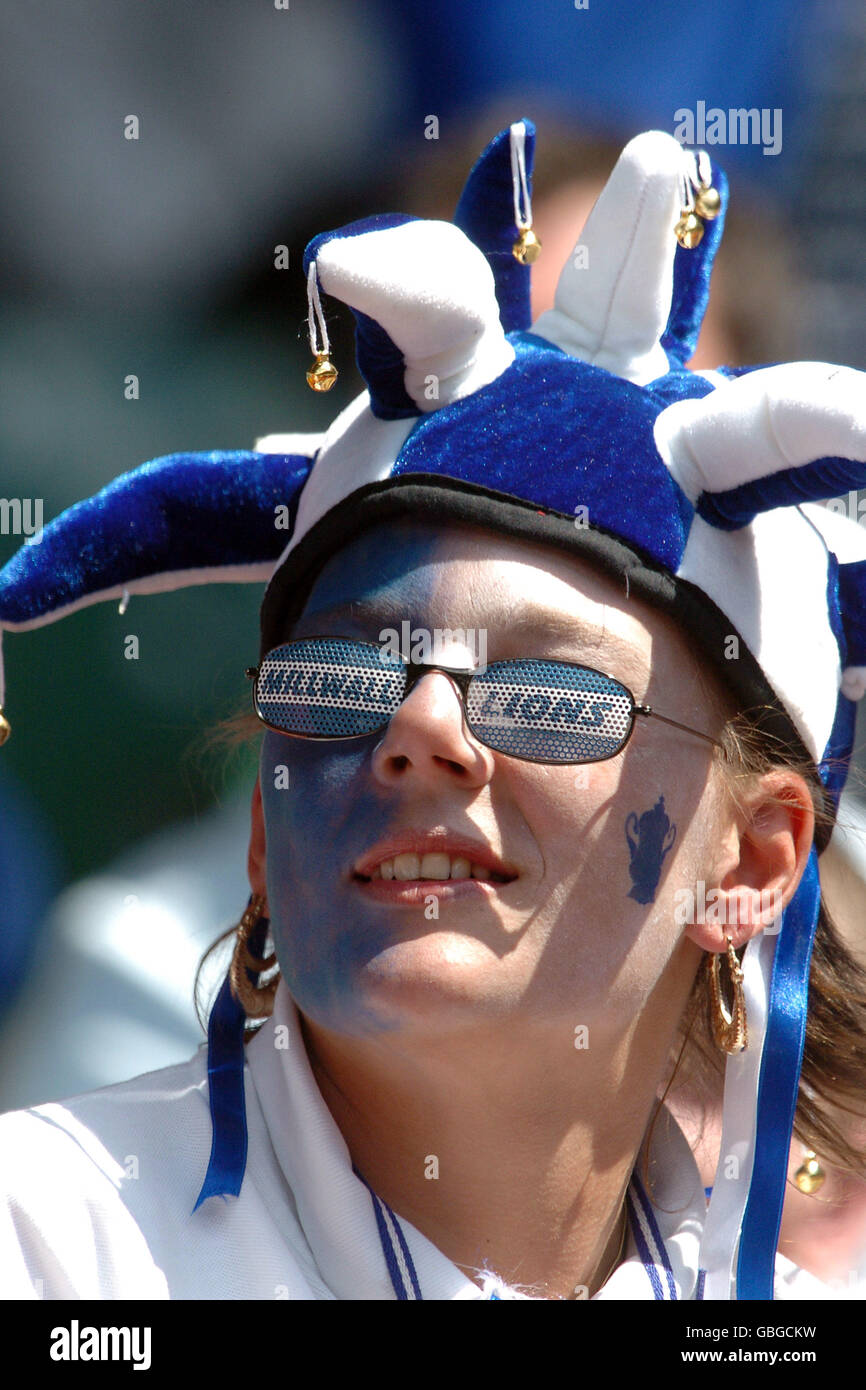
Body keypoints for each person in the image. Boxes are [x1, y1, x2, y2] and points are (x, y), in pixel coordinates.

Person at [1, 119, 866, 1301]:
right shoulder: (47, 1247)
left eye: (552, 692)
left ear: (755, 858)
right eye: (339, 683)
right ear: (263, 828)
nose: (419, 731)